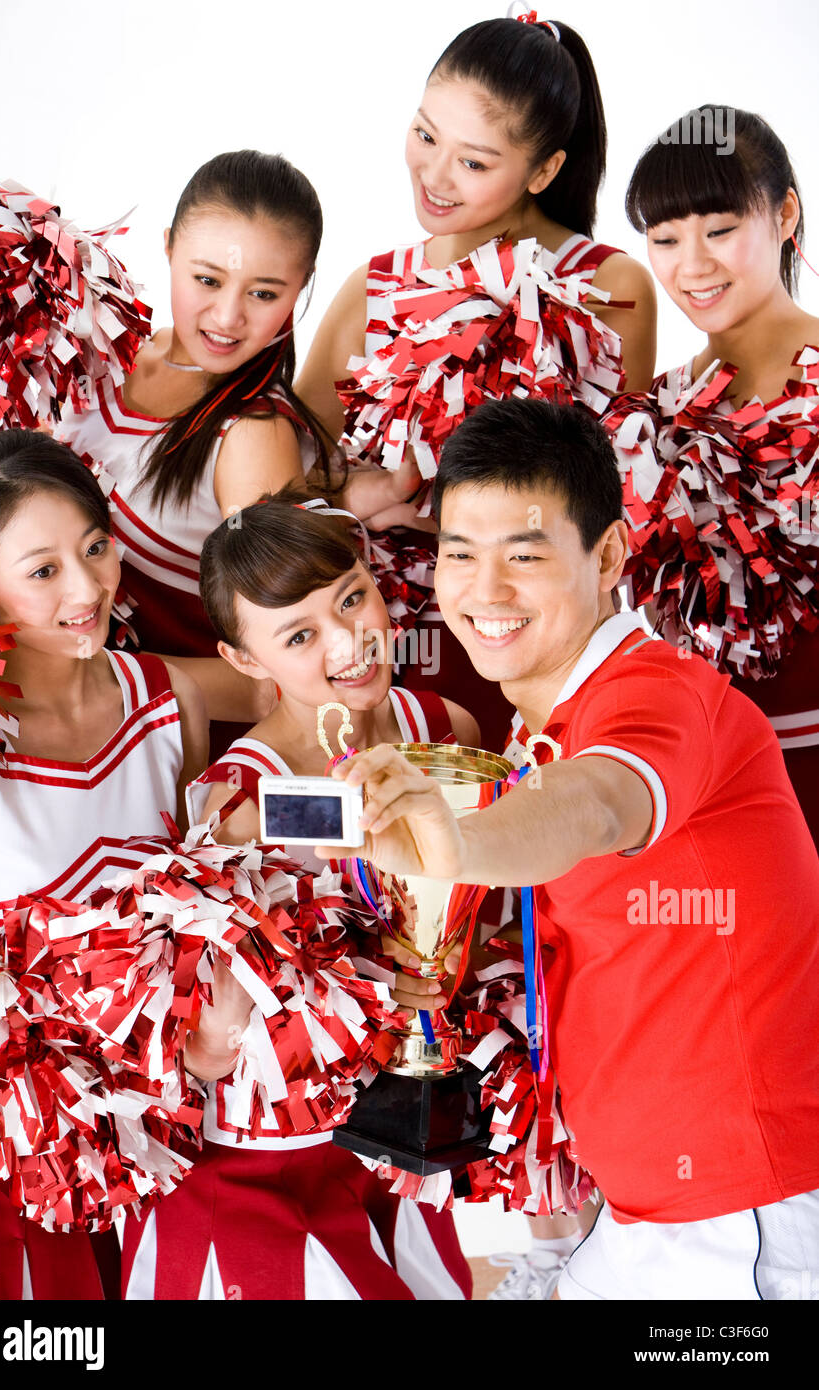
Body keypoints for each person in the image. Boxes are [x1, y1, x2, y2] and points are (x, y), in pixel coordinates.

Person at [325, 396, 819, 1301]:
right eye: (460, 556)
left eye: (524, 555)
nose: (484, 591)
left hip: (736, 1212)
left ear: (609, 557)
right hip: (639, 1209)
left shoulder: (657, 698)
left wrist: (449, 842)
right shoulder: (533, 732)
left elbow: (591, 807)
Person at [118, 490, 477, 1300]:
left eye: (353, 597)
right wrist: (377, 978)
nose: (350, 640)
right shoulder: (236, 800)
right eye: (299, 635)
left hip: (402, 1126)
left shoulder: (446, 725)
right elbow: (211, 1026)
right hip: (268, 1157)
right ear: (245, 660)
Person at [297, 12, 656, 748]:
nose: (433, 175)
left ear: (545, 171)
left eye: (474, 161)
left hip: (542, 641)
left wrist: (441, 524)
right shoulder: (376, 287)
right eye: (426, 135)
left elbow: (617, 498)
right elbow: (283, 482)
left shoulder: (611, 286)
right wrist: (352, 495)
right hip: (389, 650)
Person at [0, 429, 211, 1299]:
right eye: (42, 570)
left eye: (95, 547)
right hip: (1, 1151)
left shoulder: (168, 698)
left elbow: (308, 682)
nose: (89, 587)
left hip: (162, 1134)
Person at [56, 149, 334, 757]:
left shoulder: (253, 435)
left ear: (301, 288)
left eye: (265, 293)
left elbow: (280, 680)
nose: (227, 317)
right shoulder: (101, 354)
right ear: (167, 248)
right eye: (206, 280)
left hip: (162, 756)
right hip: (52, 727)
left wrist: (73, 673)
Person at [605, 104, 819, 844]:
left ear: (785, 214)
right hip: (685, 785)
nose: (691, 265)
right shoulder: (649, 413)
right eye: (664, 239)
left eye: (720, 230)